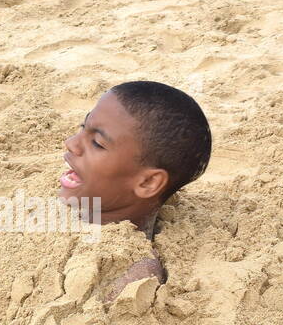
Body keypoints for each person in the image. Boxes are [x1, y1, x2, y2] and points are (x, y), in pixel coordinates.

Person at [58, 80, 212, 299]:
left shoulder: (130, 276)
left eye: (98, 143)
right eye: (83, 128)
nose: (71, 143)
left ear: (148, 182)